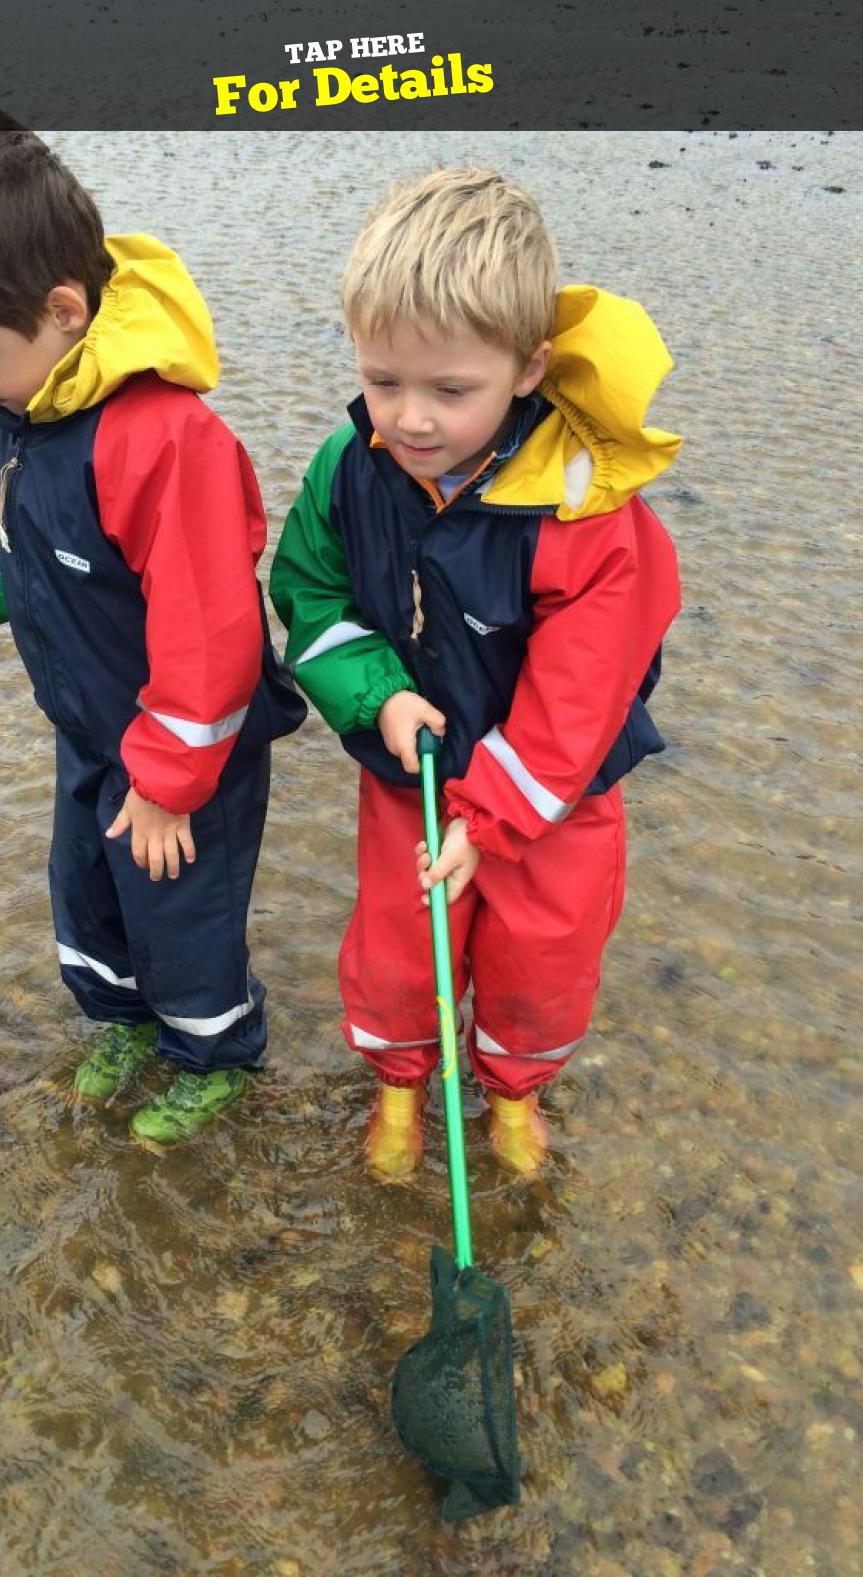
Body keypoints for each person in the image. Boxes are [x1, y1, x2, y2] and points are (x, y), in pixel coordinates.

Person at [0, 106, 304, 1144]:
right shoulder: (23, 422)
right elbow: (13, 545)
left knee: (180, 913)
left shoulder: (165, 441)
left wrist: (166, 779)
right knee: (87, 891)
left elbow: (210, 636)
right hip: (92, 731)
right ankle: (123, 1020)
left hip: (189, 751)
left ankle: (214, 1053)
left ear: (61, 310)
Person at [270, 167, 681, 1182]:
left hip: (555, 790)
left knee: (543, 954)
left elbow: (579, 700)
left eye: (451, 389)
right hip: (411, 766)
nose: (409, 418)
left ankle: (511, 1091)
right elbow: (312, 600)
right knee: (399, 941)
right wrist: (377, 692)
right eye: (382, 380)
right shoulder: (347, 468)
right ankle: (401, 1080)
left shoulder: (588, 516)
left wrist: (490, 814)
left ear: (528, 367)